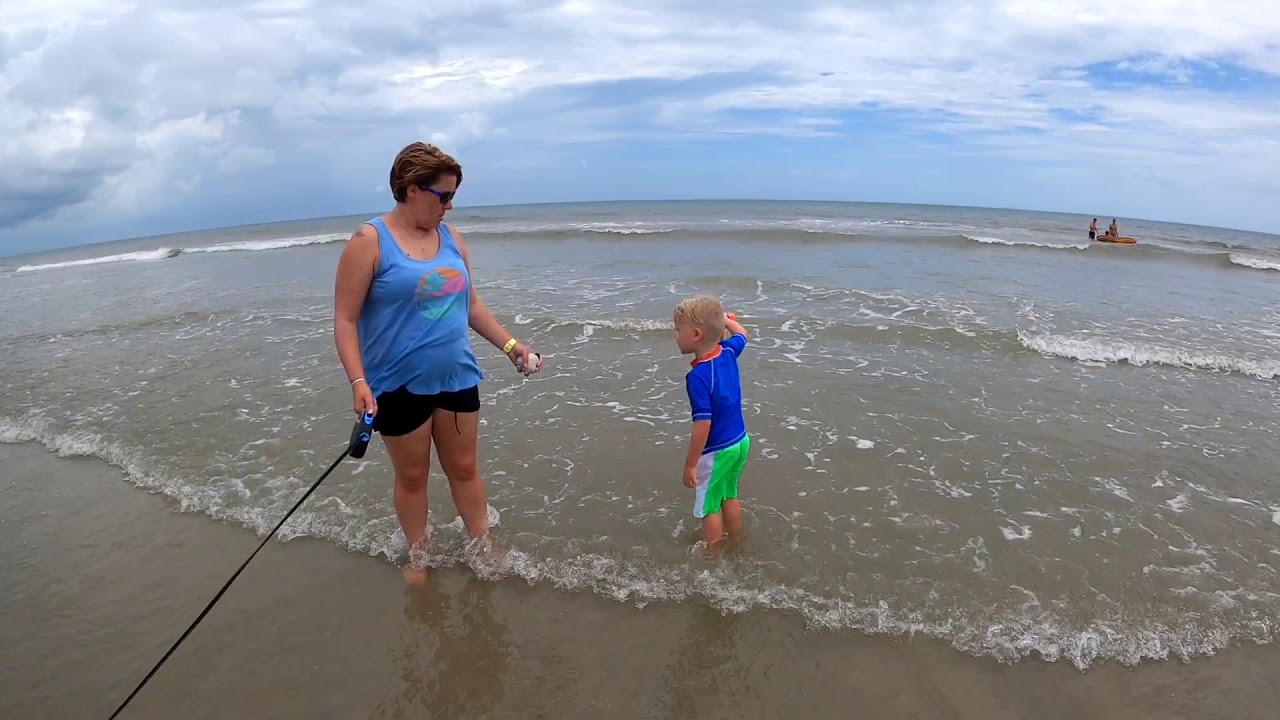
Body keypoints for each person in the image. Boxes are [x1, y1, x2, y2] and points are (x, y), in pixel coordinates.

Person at [332, 141, 543, 584]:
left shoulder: (452, 239)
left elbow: (471, 305)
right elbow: (345, 318)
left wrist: (512, 347)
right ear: (412, 188)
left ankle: (481, 547)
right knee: (413, 476)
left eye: (452, 197)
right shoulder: (369, 241)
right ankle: (419, 556)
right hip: (397, 382)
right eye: (442, 196)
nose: (448, 206)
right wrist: (357, 380)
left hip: (456, 375)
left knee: (464, 468)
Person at [673, 295, 751, 547]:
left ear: (696, 334)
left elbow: (702, 424)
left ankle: (713, 556)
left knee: (708, 505)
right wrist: (726, 320)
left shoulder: (698, 376)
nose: (675, 335)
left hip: (717, 449)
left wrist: (690, 464)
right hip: (740, 441)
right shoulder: (728, 352)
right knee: (728, 494)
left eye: (677, 330)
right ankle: (736, 540)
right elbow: (742, 334)